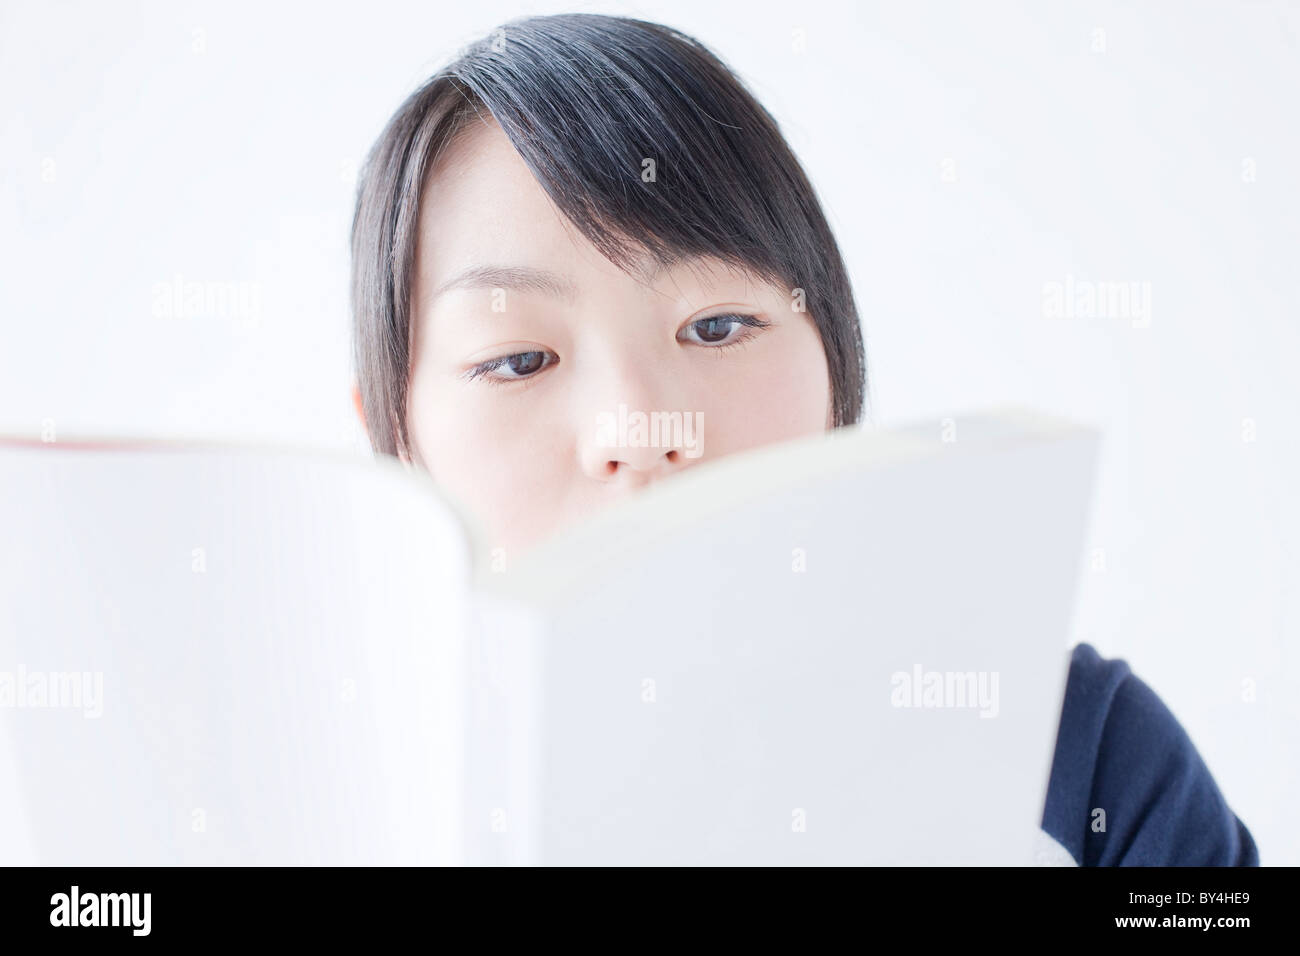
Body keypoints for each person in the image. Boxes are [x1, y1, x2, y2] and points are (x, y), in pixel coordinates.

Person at [348, 13, 1257, 865]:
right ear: (396, 443)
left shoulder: (1079, 755)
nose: (638, 428)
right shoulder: (327, 794)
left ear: (835, 356)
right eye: (518, 359)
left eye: (717, 327)